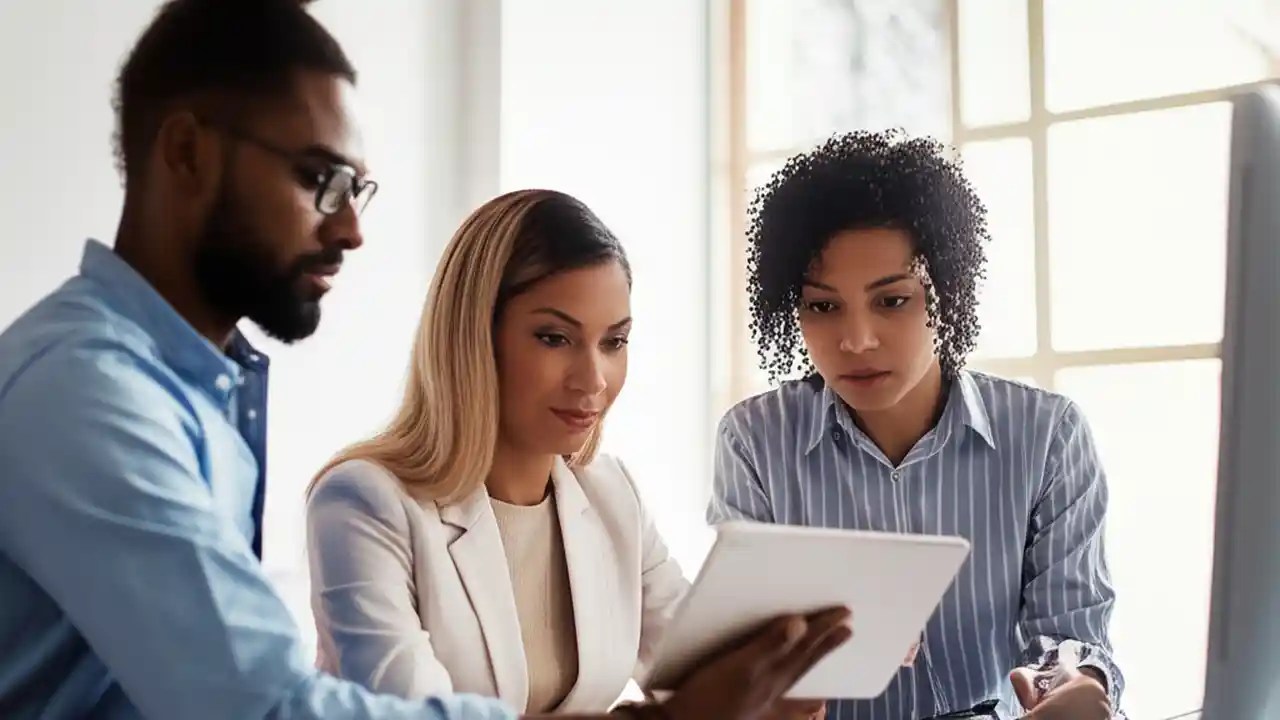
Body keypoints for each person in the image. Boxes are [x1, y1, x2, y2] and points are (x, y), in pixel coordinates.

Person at [0, 1, 850, 719]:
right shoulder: (89, 393)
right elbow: (266, 706)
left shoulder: (198, 392)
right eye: (318, 179)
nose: (350, 229)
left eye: (356, 191)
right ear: (186, 153)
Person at [306, 189, 830, 720]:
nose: (593, 380)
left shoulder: (610, 492)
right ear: (475, 338)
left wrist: (792, 669)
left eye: (614, 342)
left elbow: (703, 666)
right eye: (554, 338)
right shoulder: (363, 502)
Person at [709, 130, 1123, 720]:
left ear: (946, 295)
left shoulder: (1047, 437)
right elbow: (745, 662)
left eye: (892, 300)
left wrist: (1073, 685)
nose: (856, 340)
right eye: (823, 306)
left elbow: (1069, 635)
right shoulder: (753, 442)